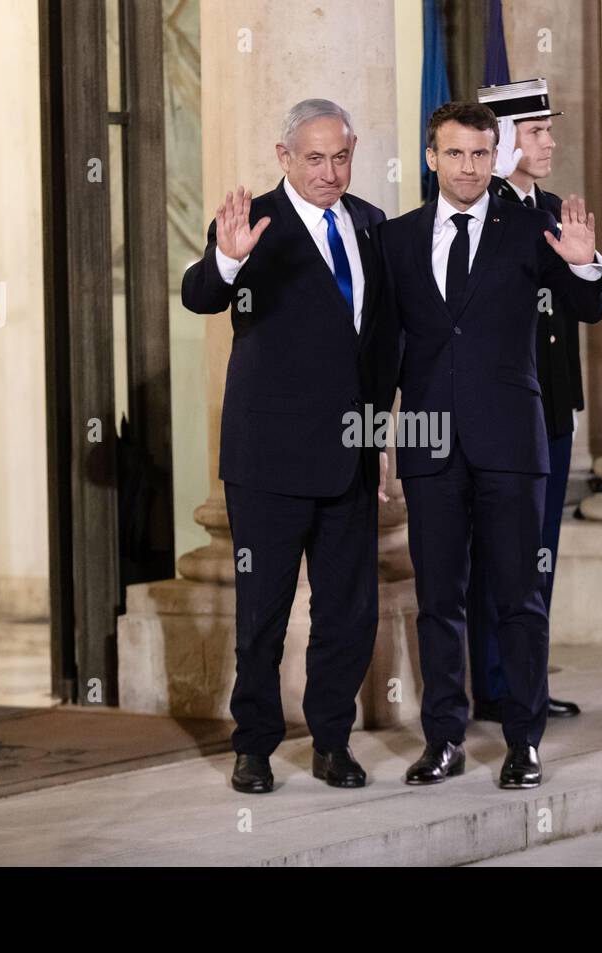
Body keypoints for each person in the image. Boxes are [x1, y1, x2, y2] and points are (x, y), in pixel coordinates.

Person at [378, 102, 602, 789]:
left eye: (480, 155)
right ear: (432, 158)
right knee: (440, 599)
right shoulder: (396, 240)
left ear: (494, 158)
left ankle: (524, 741)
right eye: (455, 154)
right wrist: (376, 435)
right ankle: (443, 738)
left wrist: (587, 264)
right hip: (430, 445)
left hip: (510, 441)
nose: (469, 167)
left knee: (519, 596)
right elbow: (381, 348)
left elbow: (589, 306)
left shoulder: (532, 230)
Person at [180, 99, 397, 794]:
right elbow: (199, 294)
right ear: (283, 157)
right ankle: (254, 746)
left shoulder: (370, 225)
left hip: (350, 457)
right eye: (314, 158)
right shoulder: (252, 227)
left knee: (348, 610)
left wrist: (384, 430)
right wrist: (226, 257)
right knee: (263, 612)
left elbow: (381, 341)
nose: (329, 172)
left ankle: (332, 741)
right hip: (268, 460)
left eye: (341, 157)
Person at [468, 78, 584, 724]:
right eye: (537, 132)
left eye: (546, 130)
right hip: (498, 412)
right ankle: (493, 684)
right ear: (507, 139)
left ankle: (527, 683)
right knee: (494, 555)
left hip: (552, 408)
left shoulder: (557, 209)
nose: (550, 141)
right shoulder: (481, 214)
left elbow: (581, 307)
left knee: (540, 551)